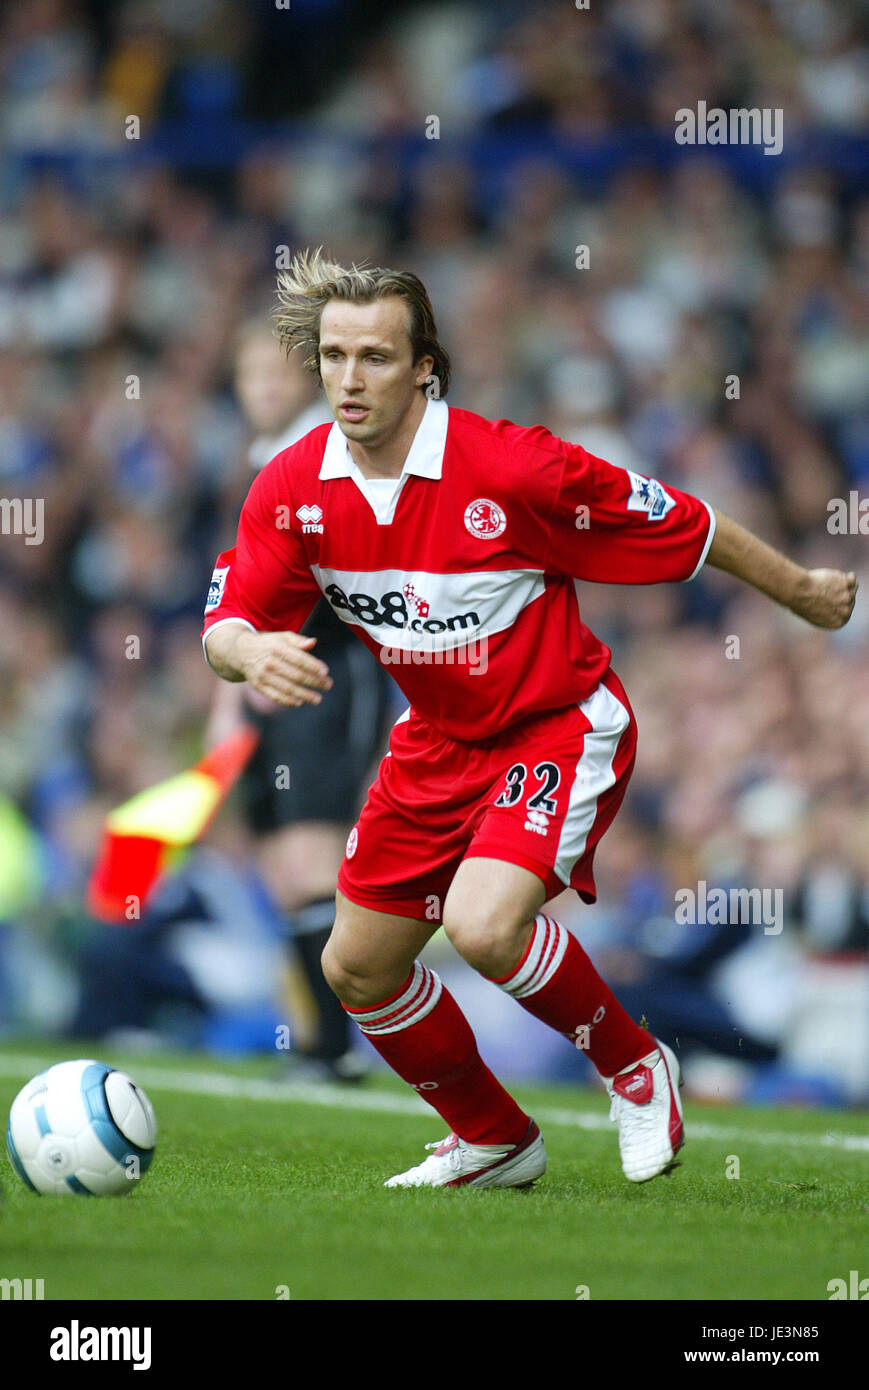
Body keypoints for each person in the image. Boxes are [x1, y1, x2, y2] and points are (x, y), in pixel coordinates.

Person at [201, 250, 857, 1188]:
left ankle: (635, 1066)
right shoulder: (292, 485)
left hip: (558, 725)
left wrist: (799, 590)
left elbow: (686, 522)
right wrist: (244, 649)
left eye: (375, 357)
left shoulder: (512, 467)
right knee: (354, 968)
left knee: (481, 925)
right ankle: (493, 1137)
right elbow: (224, 619)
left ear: (423, 365)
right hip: (433, 745)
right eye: (335, 356)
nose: (350, 379)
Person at [207, 320, 394, 1081]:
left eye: (278, 375)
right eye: (251, 376)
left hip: (325, 672)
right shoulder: (261, 457)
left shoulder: (325, 453)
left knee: (315, 861)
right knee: (285, 871)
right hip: (269, 679)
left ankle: (337, 1044)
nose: (265, 390)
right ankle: (320, 1041)